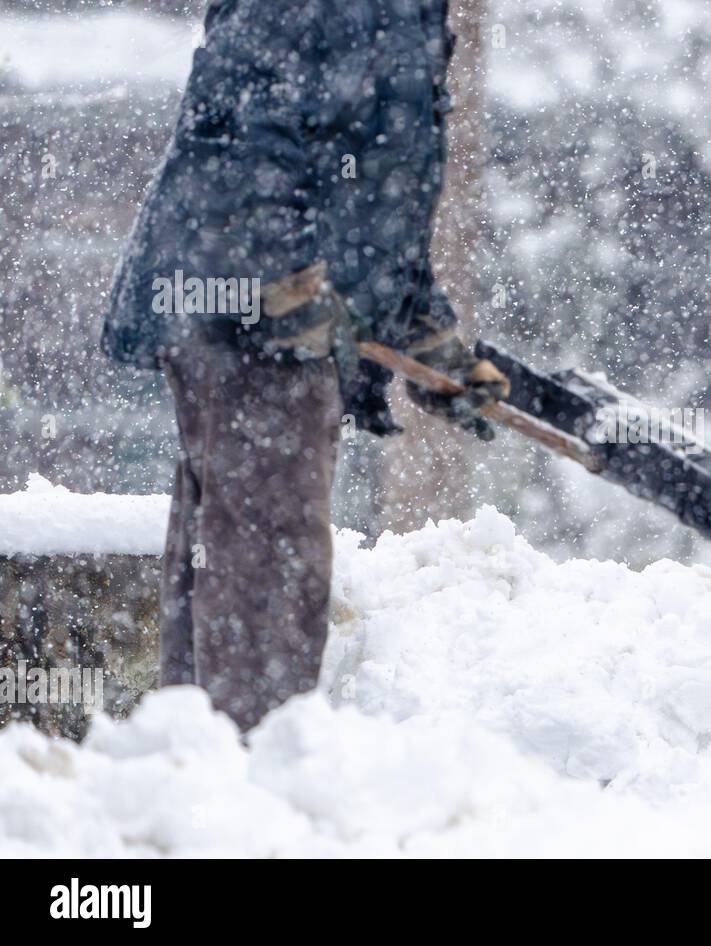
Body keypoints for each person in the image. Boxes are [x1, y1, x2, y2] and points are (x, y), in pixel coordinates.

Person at [100, 0, 506, 731]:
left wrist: (422, 328)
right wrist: (276, 276)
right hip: (239, 307)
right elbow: (236, 114)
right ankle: (253, 776)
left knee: (230, 549)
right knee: (269, 560)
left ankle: (201, 762)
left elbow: (378, 190)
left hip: (253, 301)